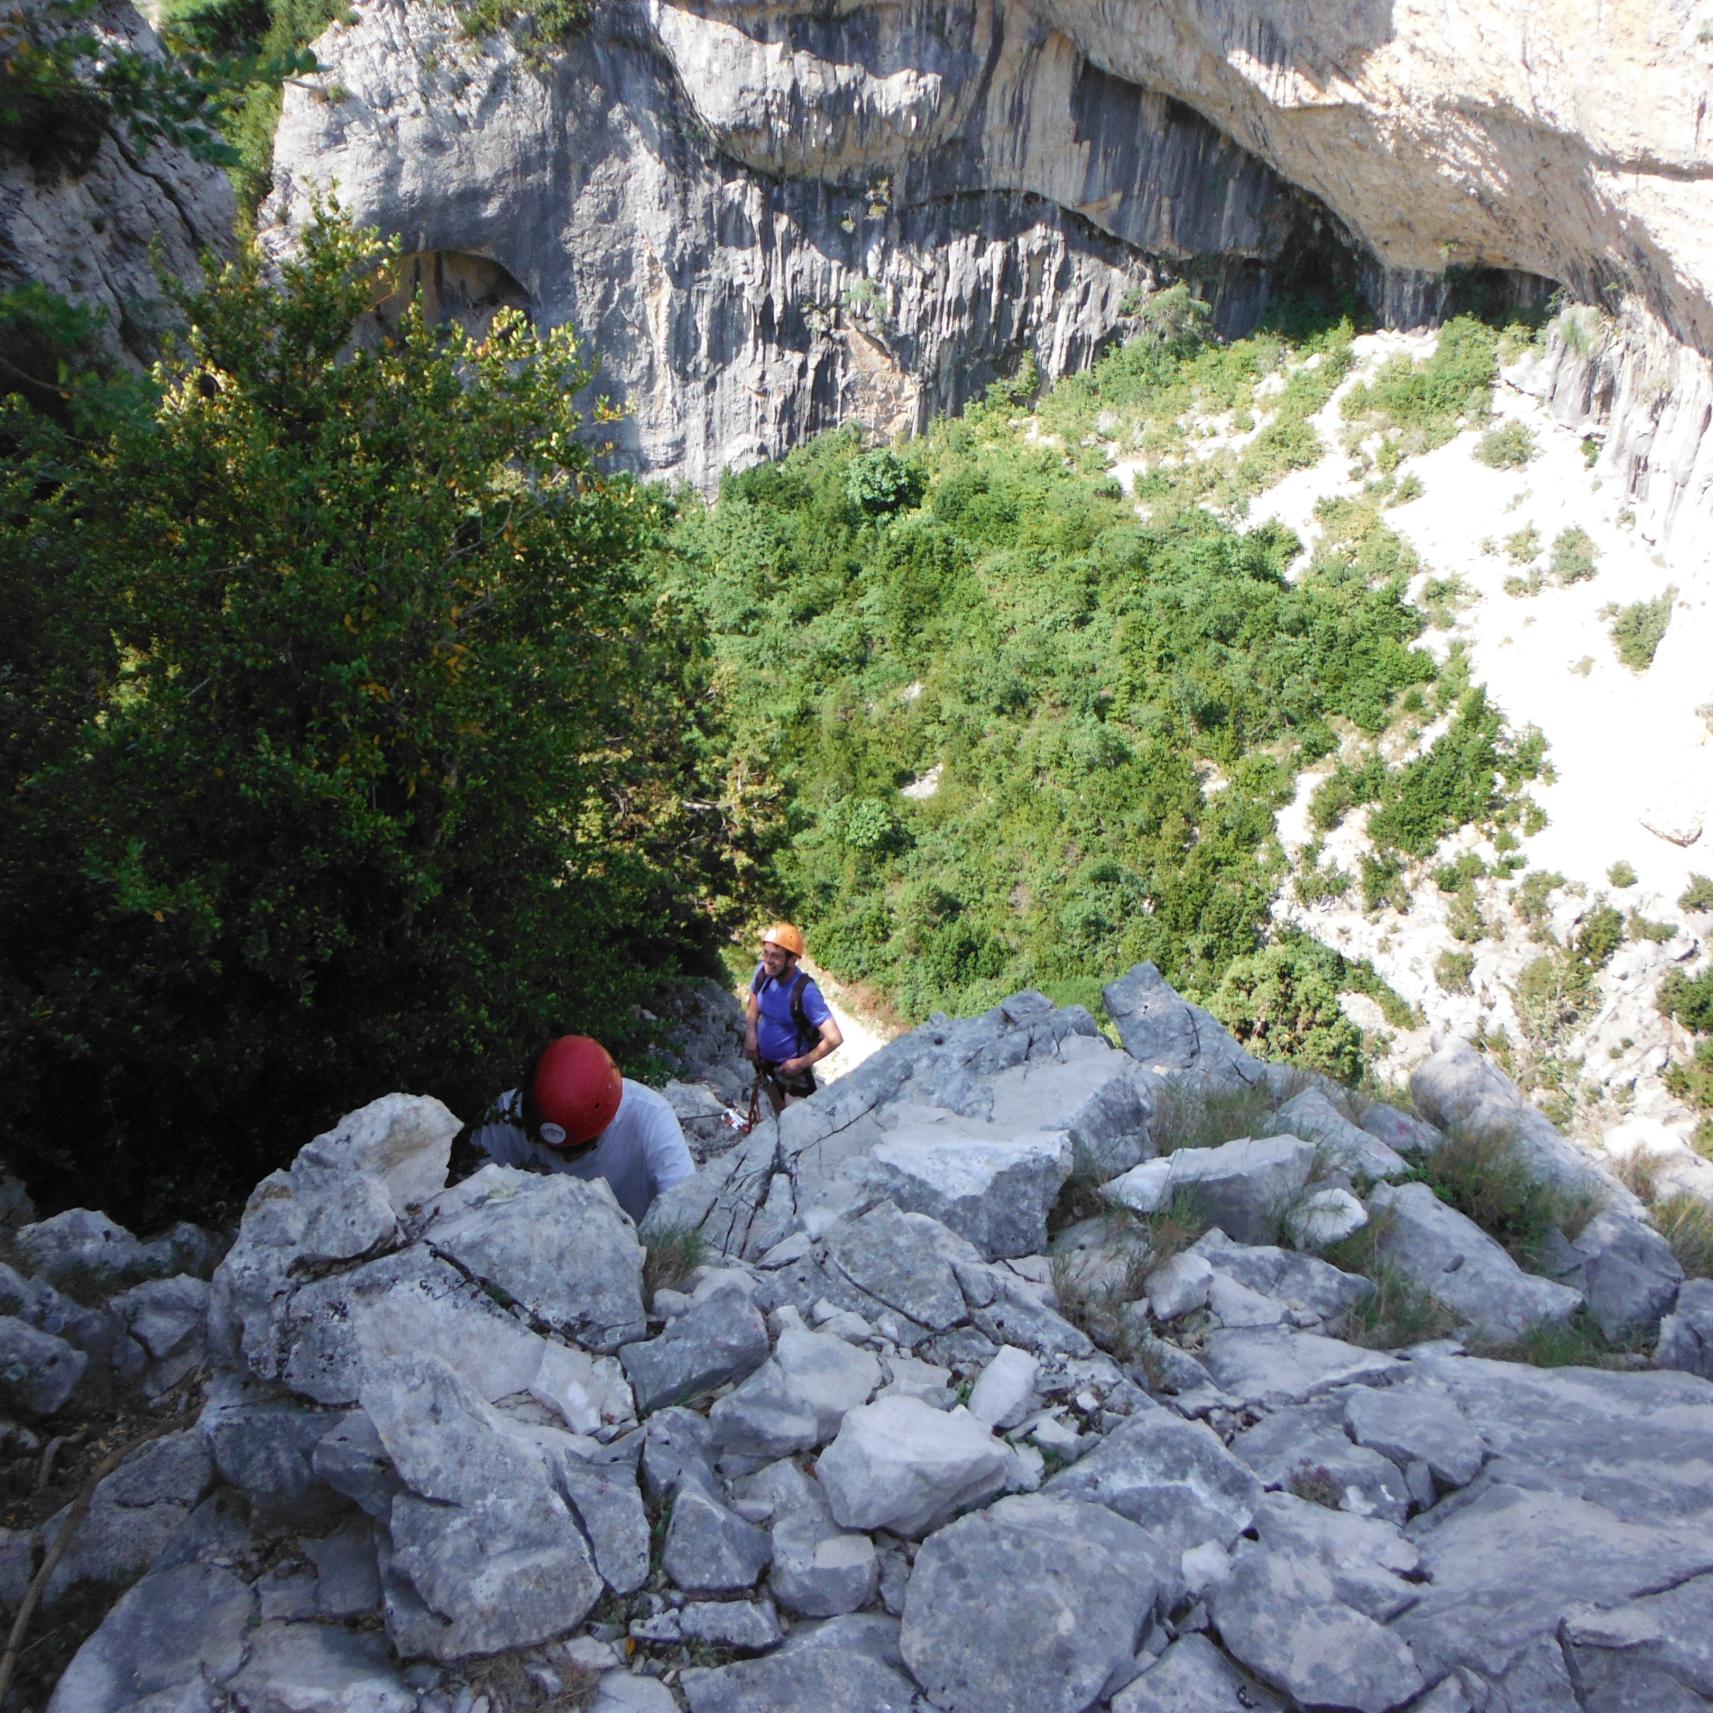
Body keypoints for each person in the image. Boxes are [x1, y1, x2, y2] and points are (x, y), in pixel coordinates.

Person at [463, 1035, 694, 1223]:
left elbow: (684, 1210)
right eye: (552, 1149)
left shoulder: (651, 1116)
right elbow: (471, 1196)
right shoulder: (508, 1113)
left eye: (576, 1150)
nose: (565, 1158)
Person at [744, 922, 843, 1113]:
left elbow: (834, 1038)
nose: (768, 961)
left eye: (775, 956)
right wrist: (751, 1033)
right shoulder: (762, 974)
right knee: (778, 1114)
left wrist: (801, 1063)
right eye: (766, 953)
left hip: (793, 1072)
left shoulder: (806, 992)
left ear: (791, 960)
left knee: (794, 1124)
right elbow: (754, 1001)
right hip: (765, 1064)